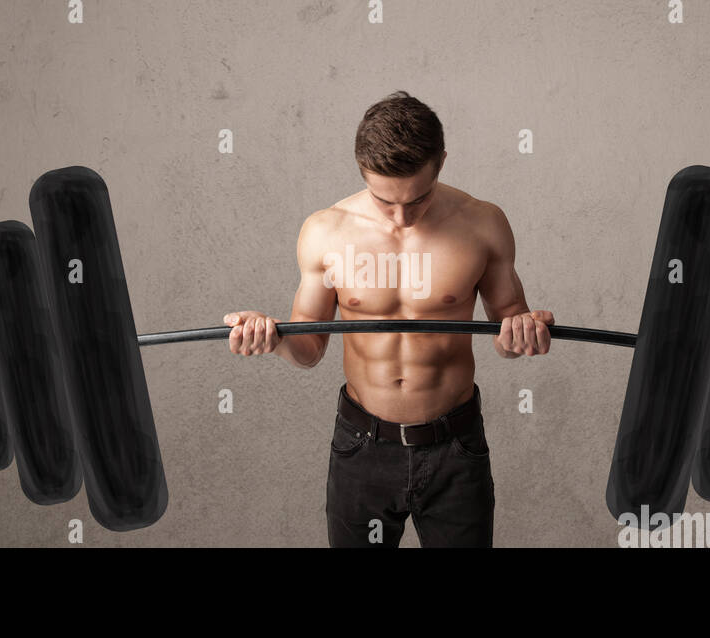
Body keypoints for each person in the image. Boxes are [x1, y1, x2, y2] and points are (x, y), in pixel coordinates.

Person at [223, 91, 553, 547]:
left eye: (417, 200)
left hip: (455, 446)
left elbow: (506, 331)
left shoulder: (483, 224)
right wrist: (272, 337)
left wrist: (523, 333)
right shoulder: (326, 231)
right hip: (363, 447)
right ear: (362, 172)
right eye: (384, 201)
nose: (401, 217)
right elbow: (309, 349)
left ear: (440, 163)